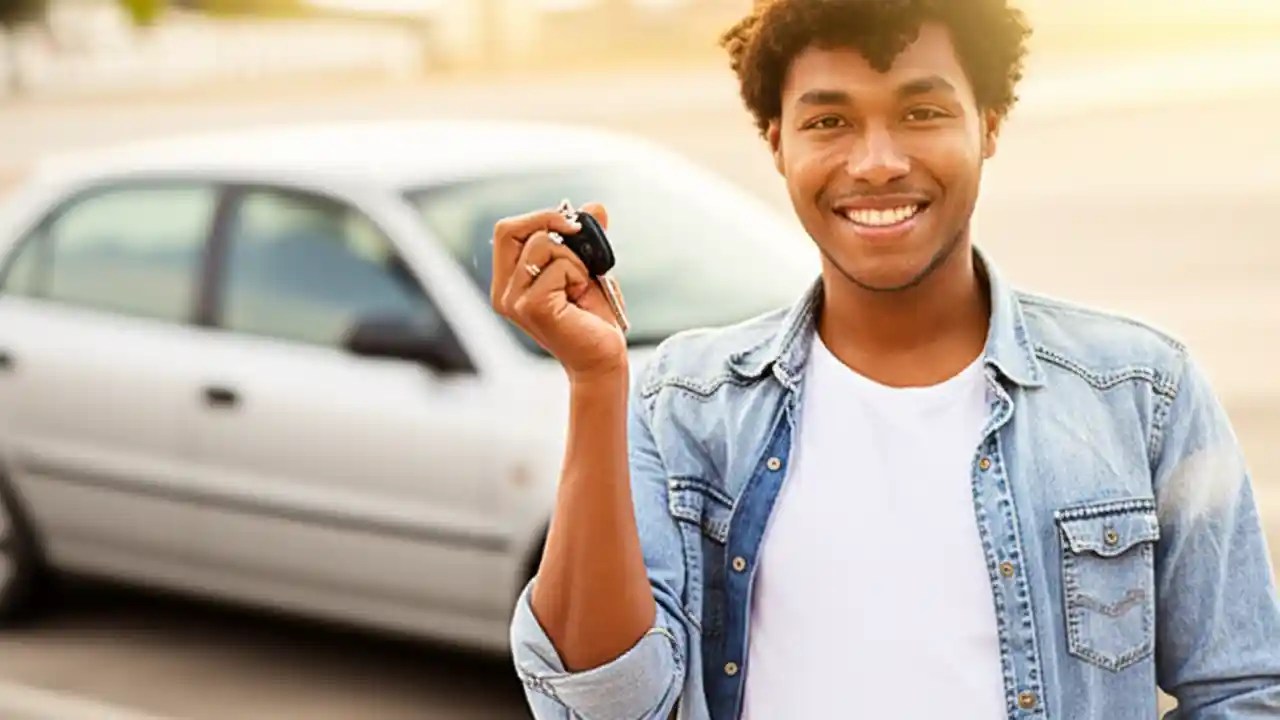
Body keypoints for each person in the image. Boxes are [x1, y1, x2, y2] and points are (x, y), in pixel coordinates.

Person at [495, 1, 1280, 717]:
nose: (875, 162)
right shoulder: (680, 405)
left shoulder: (1143, 393)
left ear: (990, 125)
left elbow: (1245, 691)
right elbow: (606, 706)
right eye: (829, 122)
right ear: (778, 143)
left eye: (923, 110)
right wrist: (596, 382)